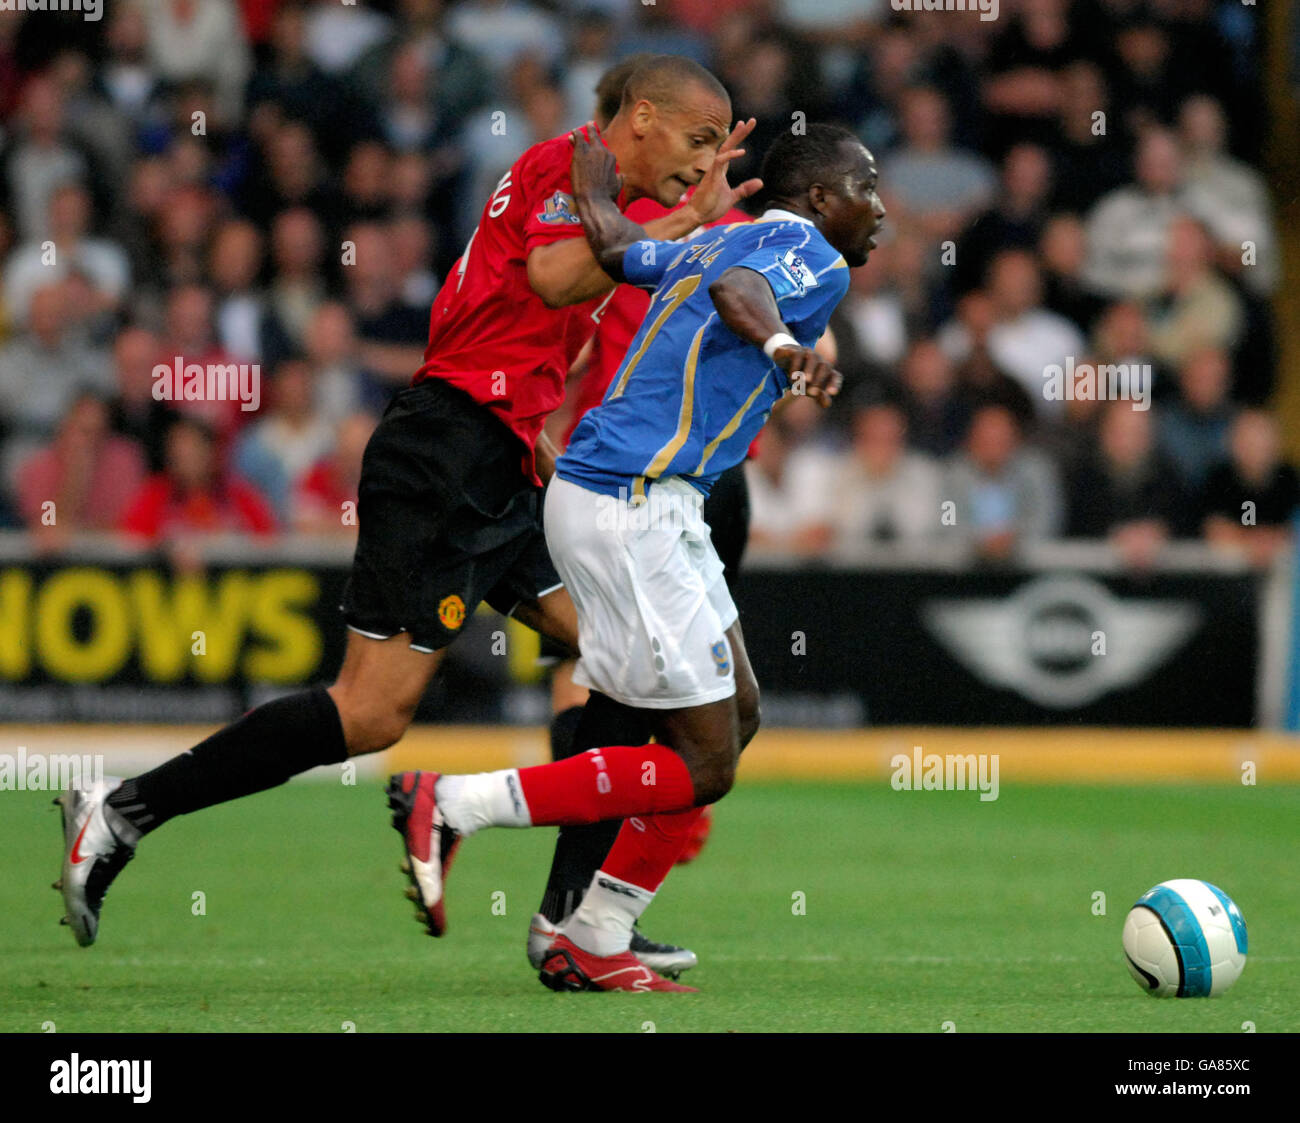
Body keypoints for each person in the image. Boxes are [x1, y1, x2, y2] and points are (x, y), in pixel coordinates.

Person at [54, 54, 759, 951]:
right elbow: (551, 278)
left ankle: (577, 925)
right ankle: (120, 811)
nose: (703, 164)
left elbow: (512, 331)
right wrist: (689, 222)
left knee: (621, 653)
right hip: (446, 455)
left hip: (499, 458)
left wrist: (545, 450)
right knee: (369, 712)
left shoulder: (602, 202)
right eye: (699, 139)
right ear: (644, 116)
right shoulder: (570, 167)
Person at [383, 122, 883, 992]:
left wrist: (595, 197)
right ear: (816, 199)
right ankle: (457, 803)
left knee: (739, 716)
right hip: (630, 500)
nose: (879, 208)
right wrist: (784, 348)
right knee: (704, 760)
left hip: (644, 498)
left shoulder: (720, 236)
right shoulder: (810, 257)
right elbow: (737, 291)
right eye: (865, 187)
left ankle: (595, 930)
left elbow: (620, 254)